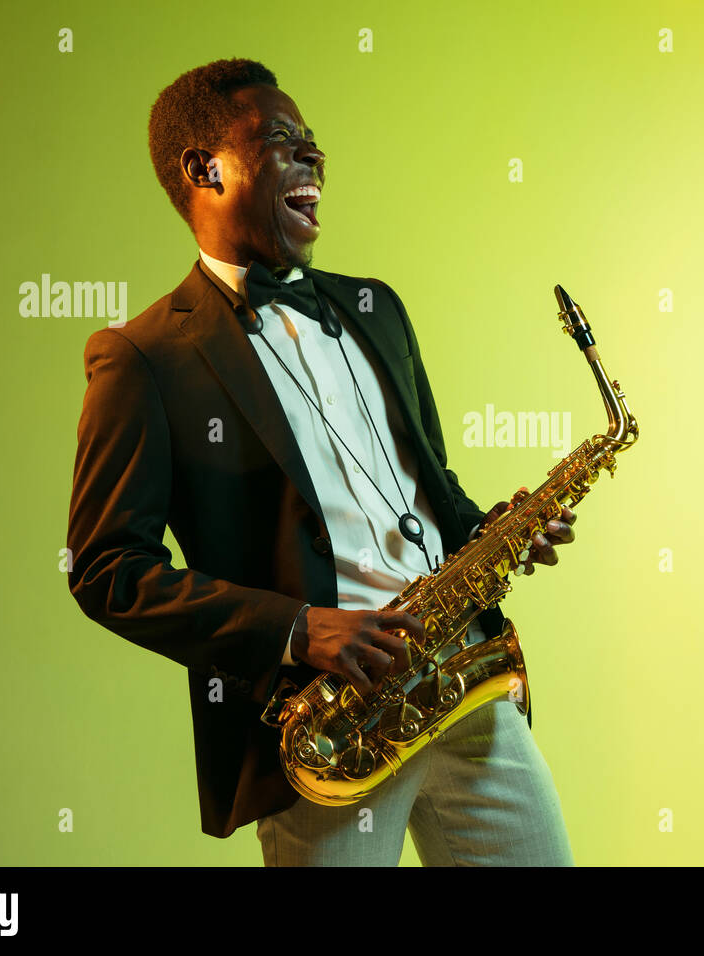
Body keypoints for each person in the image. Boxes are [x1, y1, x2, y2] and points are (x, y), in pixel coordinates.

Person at [66, 58, 576, 865]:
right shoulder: (143, 358)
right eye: (282, 141)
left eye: (314, 144)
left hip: (466, 688)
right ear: (205, 168)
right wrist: (298, 631)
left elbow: (429, 489)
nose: (314, 159)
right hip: (333, 727)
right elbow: (106, 570)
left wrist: (496, 533)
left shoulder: (376, 308)